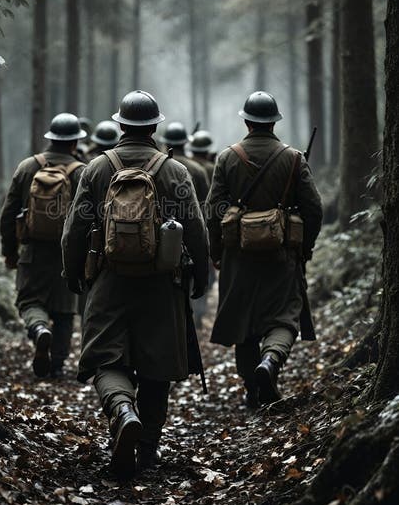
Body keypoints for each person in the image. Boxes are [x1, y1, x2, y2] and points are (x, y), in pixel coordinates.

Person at [62, 90, 209, 476]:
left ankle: (123, 410)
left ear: (122, 125)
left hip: (108, 280)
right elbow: (196, 229)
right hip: (163, 283)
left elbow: (74, 230)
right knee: (157, 369)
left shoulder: (96, 169)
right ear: (154, 127)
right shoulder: (176, 172)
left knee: (104, 358)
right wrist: (202, 277)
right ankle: (147, 451)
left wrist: (73, 273)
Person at [206, 91, 323, 407]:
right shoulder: (294, 158)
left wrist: (217, 252)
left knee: (244, 324)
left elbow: (213, 211)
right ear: (273, 122)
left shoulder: (227, 158)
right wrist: (304, 247)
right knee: (285, 318)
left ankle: (251, 390)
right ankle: (270, 361)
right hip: (281, 256)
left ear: (246, 122)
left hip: (238, 257)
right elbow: (314, 209)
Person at [0, 113, 86, 379]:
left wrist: (10, 252)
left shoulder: (28, 167)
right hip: (68, 255)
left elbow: (8, 214)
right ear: (74, 143)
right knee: (64, 311)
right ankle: (57, 365)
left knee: (29, 301)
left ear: (50, 138)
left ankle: (38, 329)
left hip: (32, 252)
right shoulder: (83, 172)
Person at [161, 122, 209, 206]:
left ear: (166, 144)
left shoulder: (158, 166)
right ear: (185, 143)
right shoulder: (198, 169)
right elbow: (205, 202)